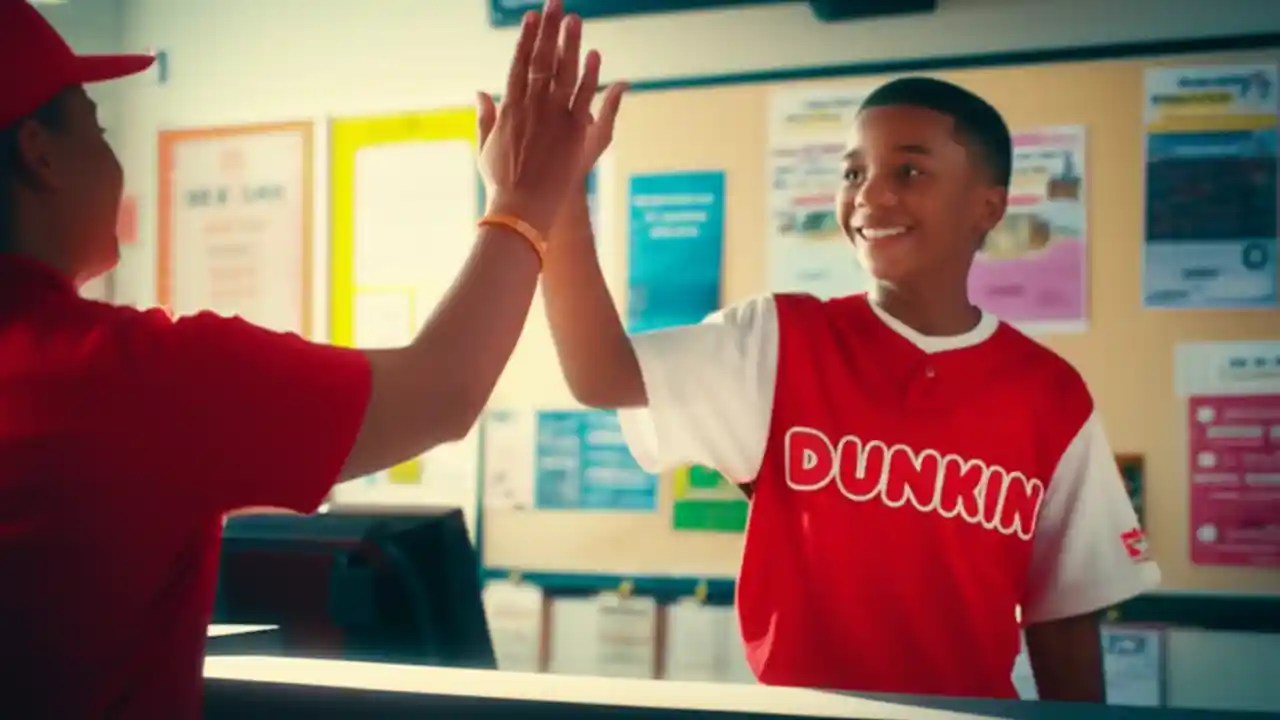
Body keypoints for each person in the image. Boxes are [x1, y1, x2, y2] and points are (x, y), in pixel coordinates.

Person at [0, 0, 607, 716]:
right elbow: (441, 391)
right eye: (98, 130)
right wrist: (525, 197)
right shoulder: (132, 377)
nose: (114, 161)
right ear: (40, 155)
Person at [542, 75, 1160, 701]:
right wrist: (562, 195)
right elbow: (601, 374)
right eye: (853, 173)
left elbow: (1064, 618)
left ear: (987, 207)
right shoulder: (777, 340)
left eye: (909, 172)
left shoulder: (1049, 395)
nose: (870, 195)